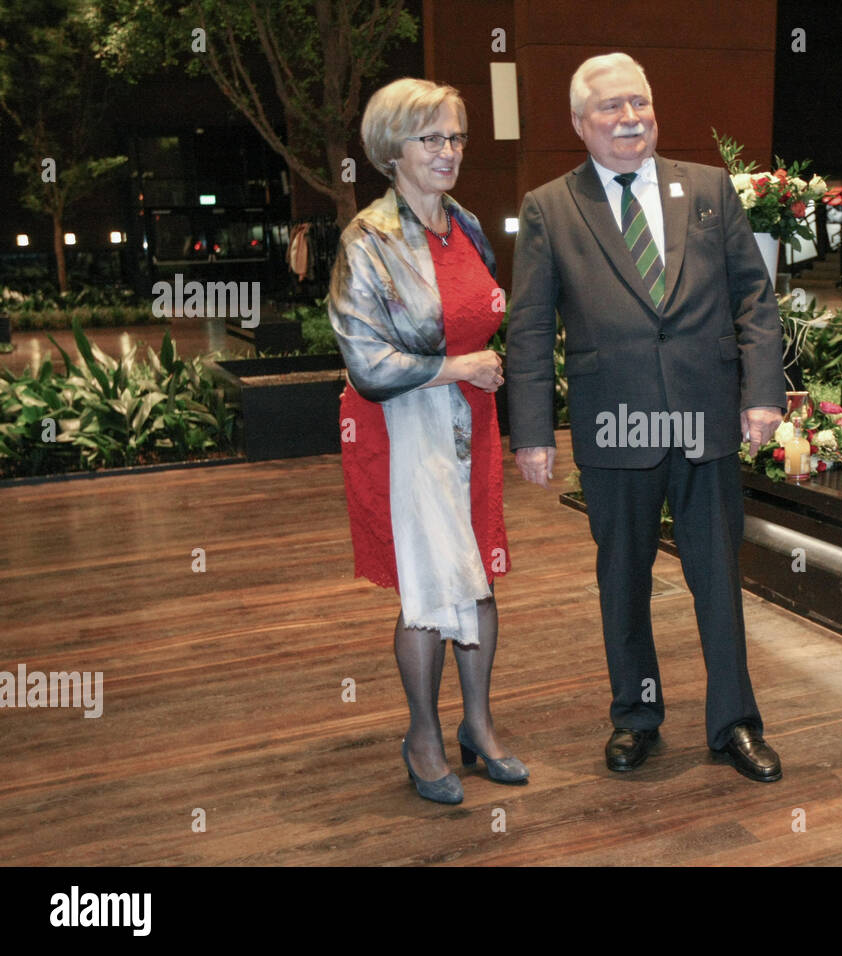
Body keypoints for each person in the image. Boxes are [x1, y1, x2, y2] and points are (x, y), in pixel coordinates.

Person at [507, 53, 787, 782]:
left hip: (705, 422)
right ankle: (637, 716)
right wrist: (533, 432)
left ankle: (734, 725)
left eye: (641, 103)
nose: (631, 119)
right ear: (579, 123)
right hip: (614, 426)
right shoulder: (549, 208)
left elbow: (754, 297)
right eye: (612, 108)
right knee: (623, 580)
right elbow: (530, 330)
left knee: (718, 579)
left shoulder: (708, 190)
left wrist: (761, 393)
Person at [328, 78, 528, 805]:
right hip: (399, 431)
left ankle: (478, 726)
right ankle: (423, 737)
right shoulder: (367, 240)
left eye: (456, 138)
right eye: (432, 139)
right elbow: (366, 360)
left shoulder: (467, 225)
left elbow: (483, 311)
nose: (450, 152)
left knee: (477, 573)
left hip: (469, 427)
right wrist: (456, 366)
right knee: (426, 583)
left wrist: (477, 368)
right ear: (392, 150)